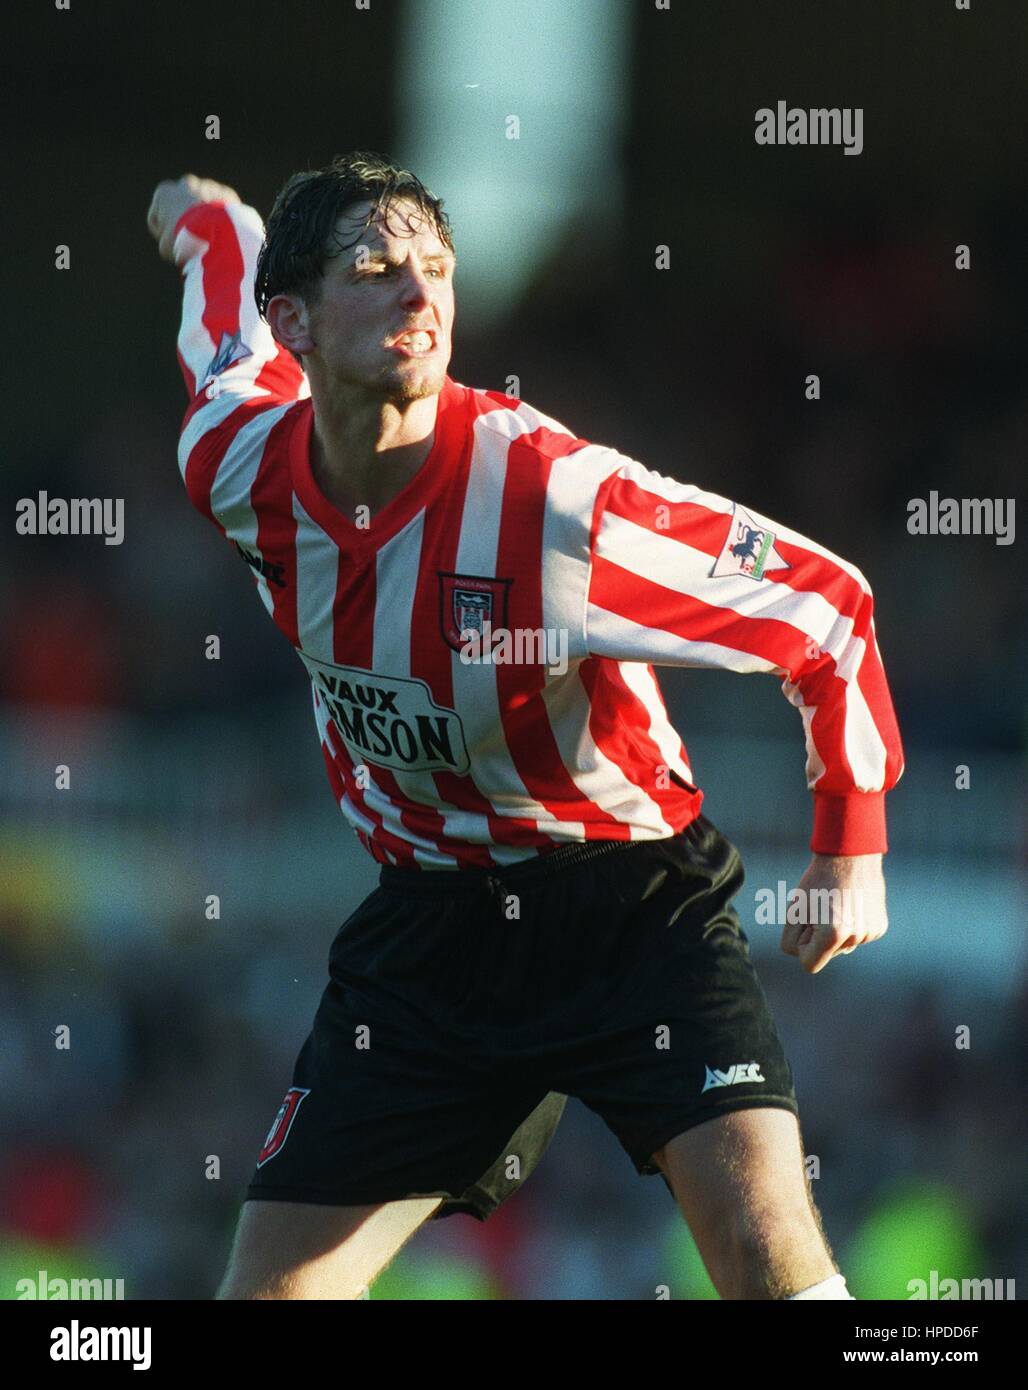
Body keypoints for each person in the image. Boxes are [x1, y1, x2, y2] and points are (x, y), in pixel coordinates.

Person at [147, 153, 904, 1300]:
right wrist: (209, 222)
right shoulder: (235, 458)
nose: (418, 294)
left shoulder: (553, 500)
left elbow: (822, 605)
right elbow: (220, 330)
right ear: (293, 318)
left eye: (437, 270)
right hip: (428, 940)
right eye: (376, 267)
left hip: (627, 911)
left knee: (765, 1267)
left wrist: (849, 842)